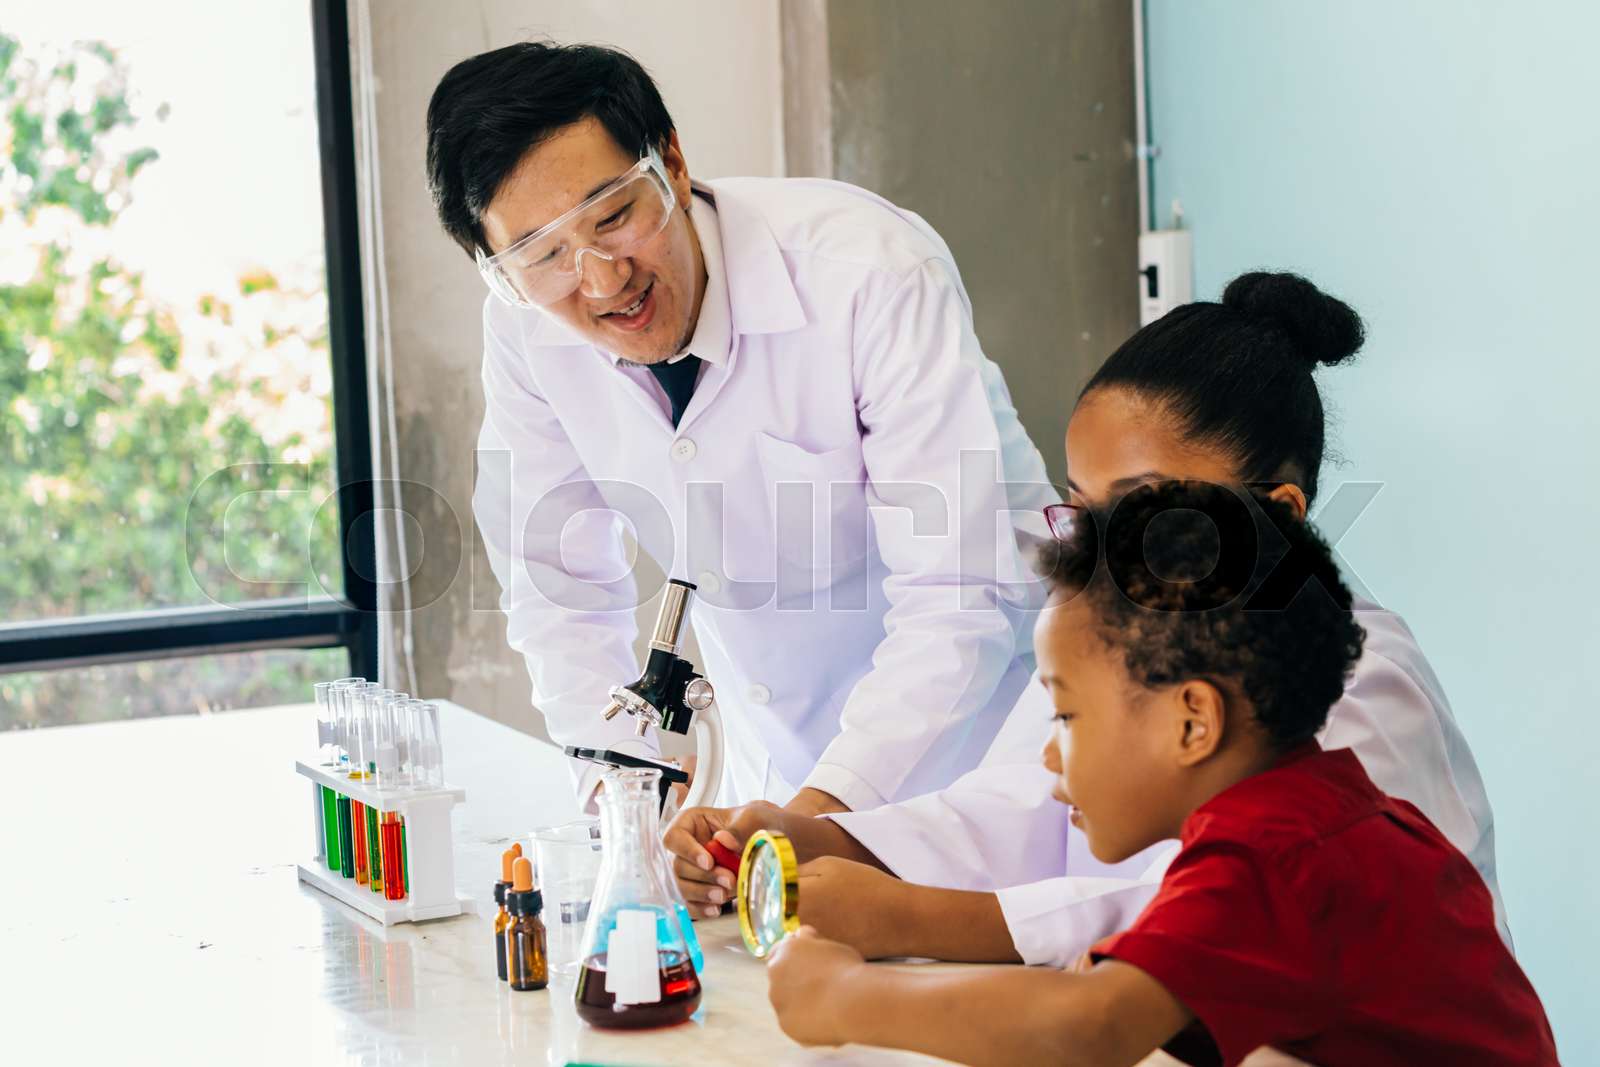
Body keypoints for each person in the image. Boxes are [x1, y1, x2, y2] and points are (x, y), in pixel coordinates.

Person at [666, 273, 1507, 968]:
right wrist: (820, 839)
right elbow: (1015, 809)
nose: (1105, 555)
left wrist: (908, 916)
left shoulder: (1364, 687)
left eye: (1144, 510)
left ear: (1279, 517)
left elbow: (1207, 913)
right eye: (1084, 510)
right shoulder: (1122, 637)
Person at [426, 42, 1054, 814]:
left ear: (674, 164)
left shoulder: (869, 273)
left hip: (992, 748)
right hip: (783, 773)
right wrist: (628, 808)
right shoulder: (525, 329)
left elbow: (962, 591)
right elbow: (560, 587)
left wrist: (813, 821)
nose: (600, 278)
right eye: (543, 254)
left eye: (616, 216)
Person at [765, 480, 1557, 1067]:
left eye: (1066, 718)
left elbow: (1089, 1027)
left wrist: (841, 999)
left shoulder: (1271, 858)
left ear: (1192, 721)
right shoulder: (1324, 807)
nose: (1047, 754)